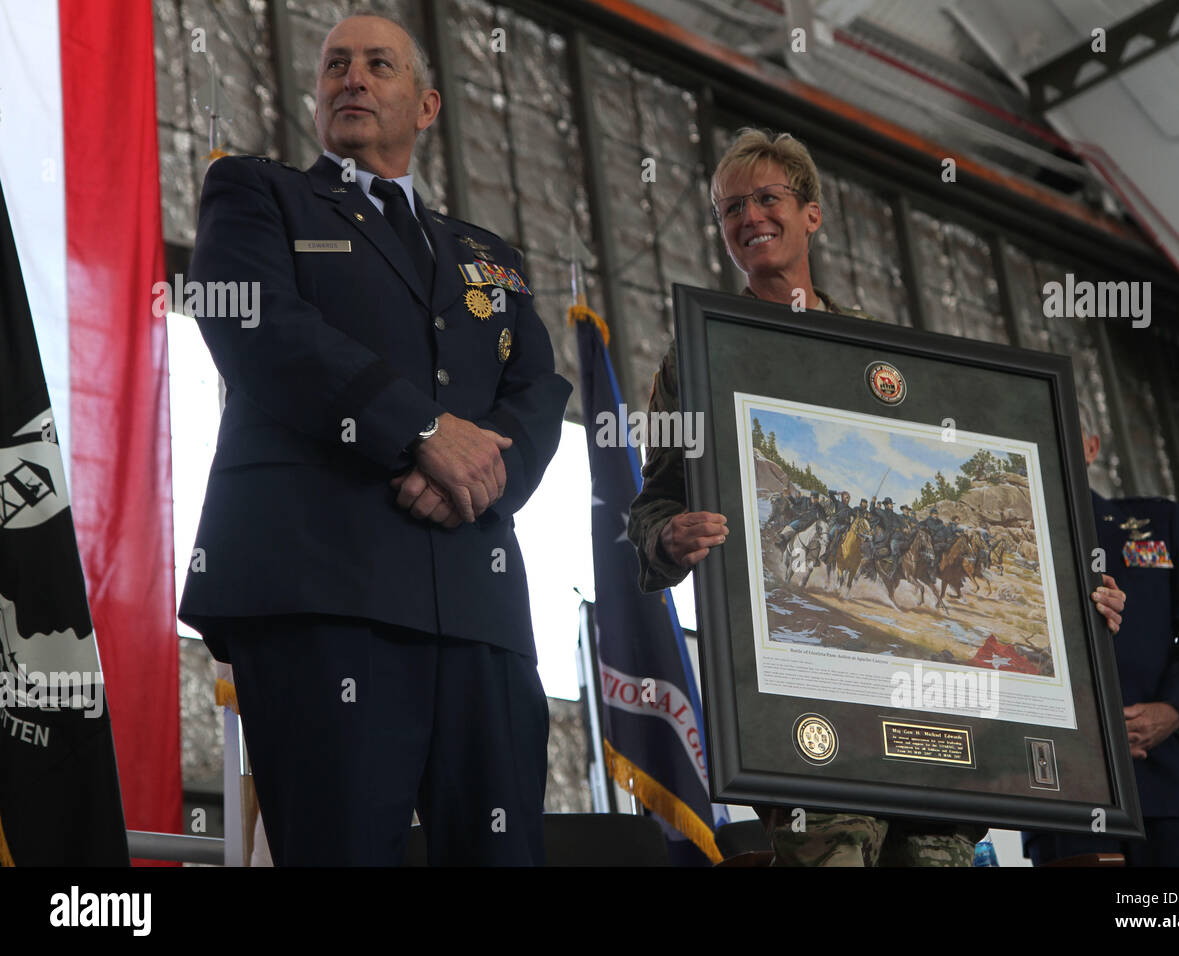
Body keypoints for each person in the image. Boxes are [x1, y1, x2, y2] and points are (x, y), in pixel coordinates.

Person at [629, 128, 1127, 866]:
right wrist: (669, 540)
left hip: (933, 726)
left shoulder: (889, 354)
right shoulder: (699, 359)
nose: (749, 217)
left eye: (768, 198)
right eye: (730, 208)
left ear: (811, 215)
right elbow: (654, 504)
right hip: (803, 712)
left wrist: (1073, 609)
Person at [177, 12, 570, 865]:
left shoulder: (486, 255)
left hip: (477, 608)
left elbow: (537, 389)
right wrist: (422, 430)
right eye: (336, 65)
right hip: (324, 594)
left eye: (378, 64)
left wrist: (478, 463)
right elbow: (256, 323)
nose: (351, 77)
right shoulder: (257, 191)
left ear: (426, 104)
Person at [1022, 408, 1179, 866]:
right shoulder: (1011, 540)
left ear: (1091, 447)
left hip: (1172, 773)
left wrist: (1174, 711)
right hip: (1065, 779)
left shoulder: (1155, 524)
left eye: (1063, 431)